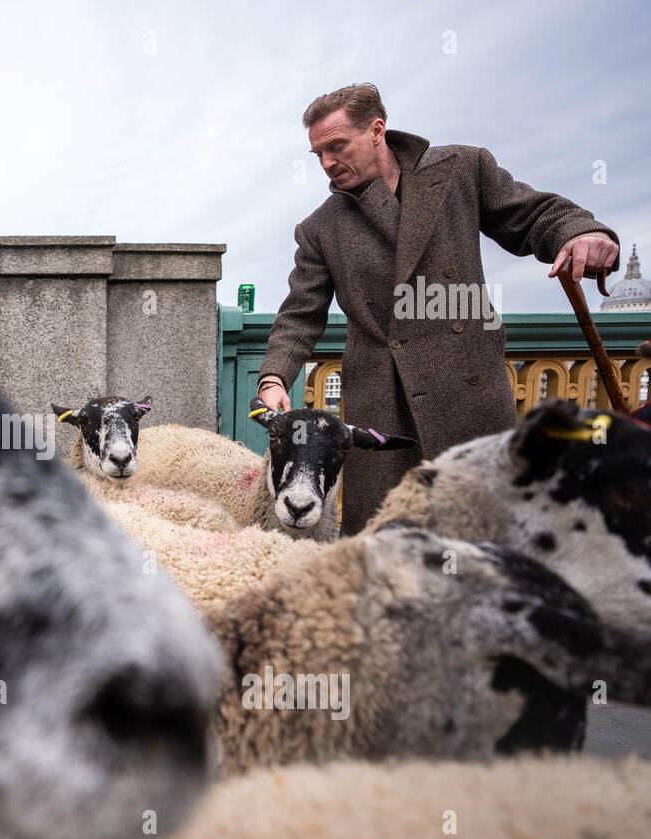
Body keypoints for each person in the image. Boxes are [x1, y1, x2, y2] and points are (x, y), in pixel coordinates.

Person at [257, 84, 619, 534]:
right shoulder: (319, 228)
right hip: (383, 411)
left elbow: (531, 215)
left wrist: (578, 233)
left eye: (337, 147)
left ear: (377, 130)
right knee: (386, 544)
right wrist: (274, 377)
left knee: (491, 537)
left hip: (468, 395)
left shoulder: (462, 170)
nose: (327, 163)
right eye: (318, 154)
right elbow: (300, 313)